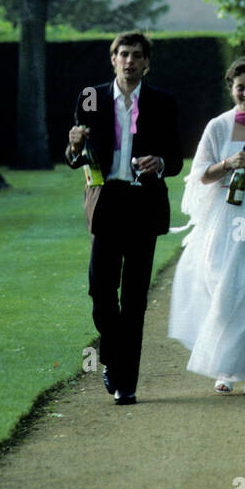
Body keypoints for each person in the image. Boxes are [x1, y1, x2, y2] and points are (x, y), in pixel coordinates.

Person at [66, 31, 181, 406]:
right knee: (100, 291)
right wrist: (74, 146)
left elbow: (177, 160)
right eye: (123, 54)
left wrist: (160, 162)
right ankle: (114, 357)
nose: (129, 61)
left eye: (137, 56)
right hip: (107, 203)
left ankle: (125, 382)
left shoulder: (163, 102)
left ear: (146, 63)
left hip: (143, 203)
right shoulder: (91, 98)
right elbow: (76, 157)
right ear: (112, 59)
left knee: (134, 298)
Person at [168, 57, 245, 395]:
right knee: (224, 288)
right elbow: (200, 174)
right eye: (241, 87)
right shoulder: (217, 126)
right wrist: (227, 163)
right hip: (227, 213)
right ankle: (224, 365)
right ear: (231, 89)